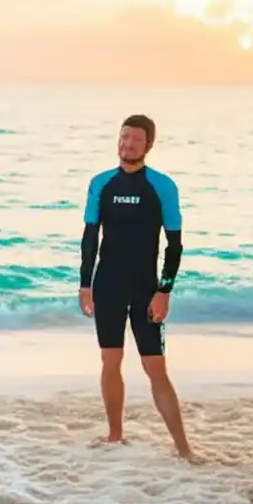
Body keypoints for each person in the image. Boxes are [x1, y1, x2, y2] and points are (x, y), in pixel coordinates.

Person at [79, 114, 195, 461]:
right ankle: (115, 433)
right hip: (108, 285)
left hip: (146, 289)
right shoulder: (101, 184)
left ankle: (183, 447)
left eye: (135, 139)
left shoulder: (161, 186)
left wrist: (165, 290)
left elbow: (175, 245)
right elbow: (89, 239)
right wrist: (85, 285)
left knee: (155, 367)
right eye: (123, 137)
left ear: (148, 145)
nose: (127, 144)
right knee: (109, 360)